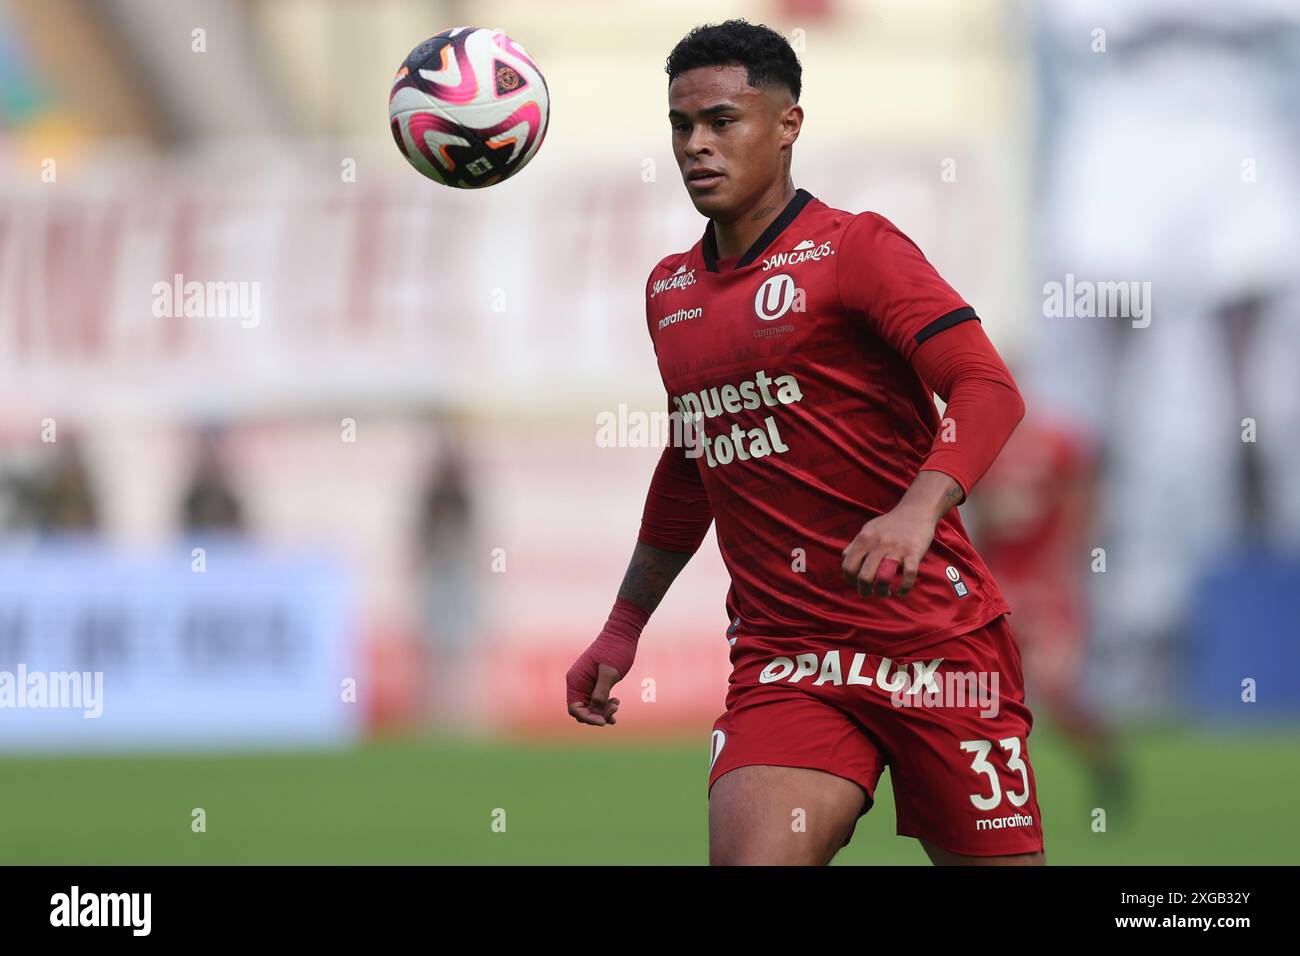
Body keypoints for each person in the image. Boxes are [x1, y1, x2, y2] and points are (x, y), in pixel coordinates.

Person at [565, 19, 1042, 865]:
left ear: (788, 126)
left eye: (722, 121)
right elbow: (691, 463)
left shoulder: (858, 250)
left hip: (934, 645)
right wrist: (621, 626)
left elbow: (988, 386)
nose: (695, 146)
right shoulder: (670, 290)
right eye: (681, 126)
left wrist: (916, 511)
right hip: (789, 659)